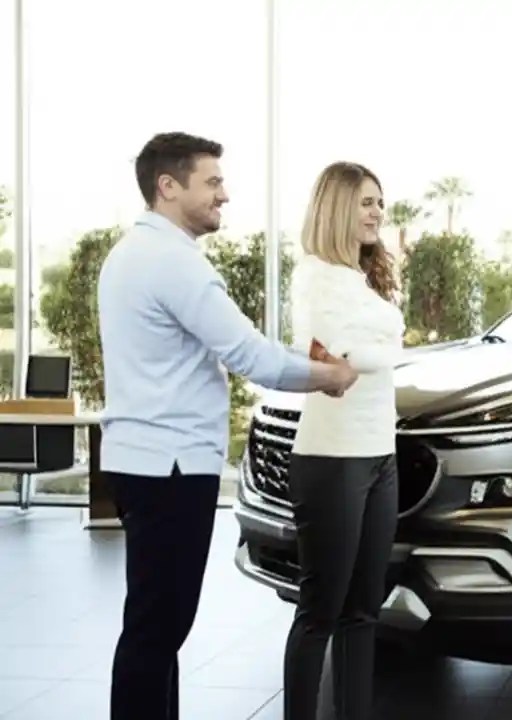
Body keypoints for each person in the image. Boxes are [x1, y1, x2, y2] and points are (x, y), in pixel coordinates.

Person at [97, 132, 358, 720]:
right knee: (155, 633)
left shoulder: (131, 254)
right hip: (171, 468)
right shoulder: (174, 264)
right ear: (169, 186)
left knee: (154, 629)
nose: (225, 195)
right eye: (212, 182)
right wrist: (331, 374)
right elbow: (254, 358)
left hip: (141, 461)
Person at [282, 161, 404, 720]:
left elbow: (369, 353)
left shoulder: (364, 278)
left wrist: (369, 350)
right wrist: (374, 350)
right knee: (320, 612)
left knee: (364, 611)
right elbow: (338, 352)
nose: (377, 211)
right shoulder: (314, 274)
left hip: (380, 453)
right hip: (332, 458)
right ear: (336, 208)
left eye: (379, 202)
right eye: (365, 202)